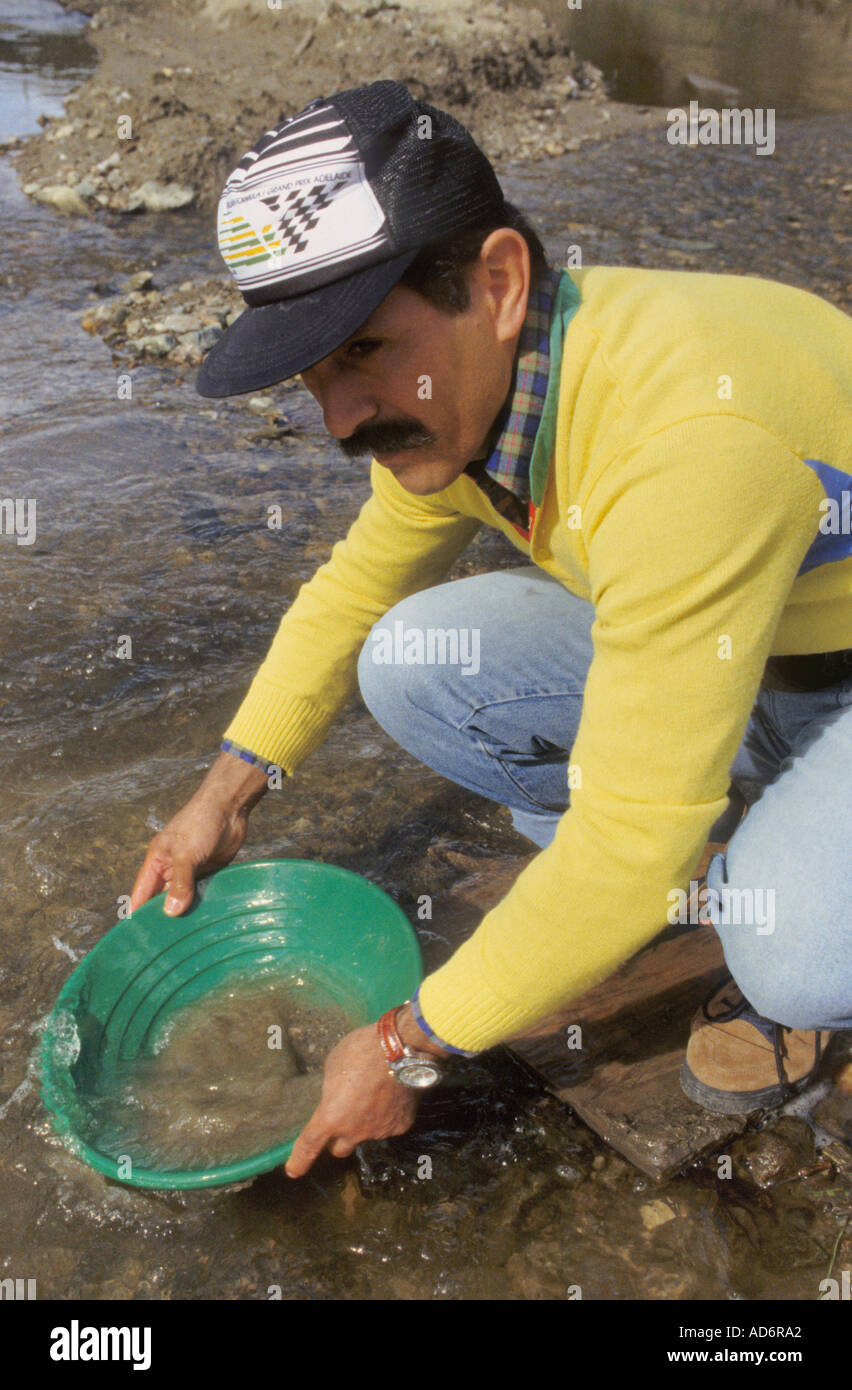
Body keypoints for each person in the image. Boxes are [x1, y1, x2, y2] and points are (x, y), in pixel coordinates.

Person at [129, 80, 852, 1178]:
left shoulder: (683, 443)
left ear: (500, 282)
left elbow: (617, 851)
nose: (339, 418)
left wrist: (406, 1044)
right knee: (413, 662)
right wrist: (222, 793)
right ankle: (717, 837)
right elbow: (351, 590)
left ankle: (782, 912)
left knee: (788, 946)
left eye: (365, 350)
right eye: (317, 373)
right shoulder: (478, 399)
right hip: (748, 642)